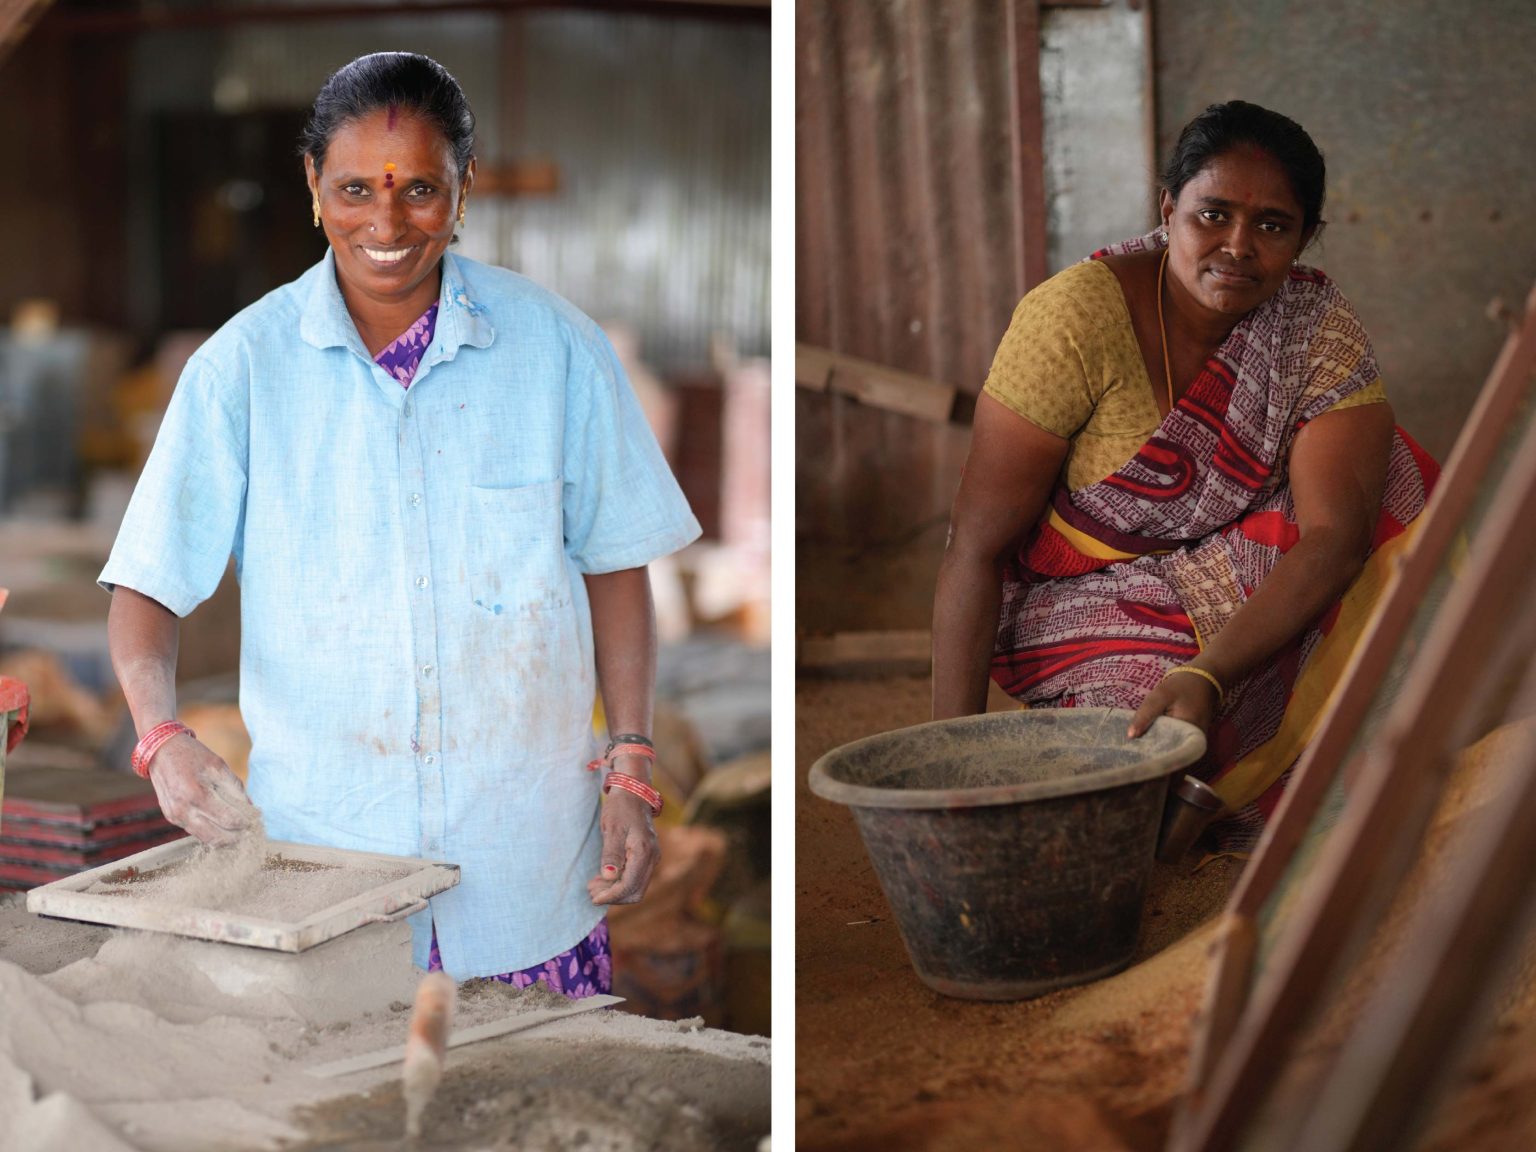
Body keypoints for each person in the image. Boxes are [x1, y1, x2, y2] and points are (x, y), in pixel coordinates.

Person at [101, 52, 700, 991]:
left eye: (421, 189)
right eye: (353, 189)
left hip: (529, 874)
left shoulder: (560, 351)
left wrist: (629, 765)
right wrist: (160, 737)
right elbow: (145, 587)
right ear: (312, 185)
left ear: (464, 188)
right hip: (325, 881)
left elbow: (617, 570)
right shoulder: (241, 371)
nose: (385, 223)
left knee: (535, 1126)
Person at [931, 101, 1436, 849]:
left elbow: (1336, 535)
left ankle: (1314, 767)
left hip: (1242, 589)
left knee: (1395, 476)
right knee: (1134, 729)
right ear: (1169, 209)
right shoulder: (1073, 320)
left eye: (1272, 226)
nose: (1237, 247)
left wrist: (1211, 673)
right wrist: (949, 768)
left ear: (1306, 238)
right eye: (1213, 215)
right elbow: (974, 548)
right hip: (1082, 602)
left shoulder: (1313, 328)